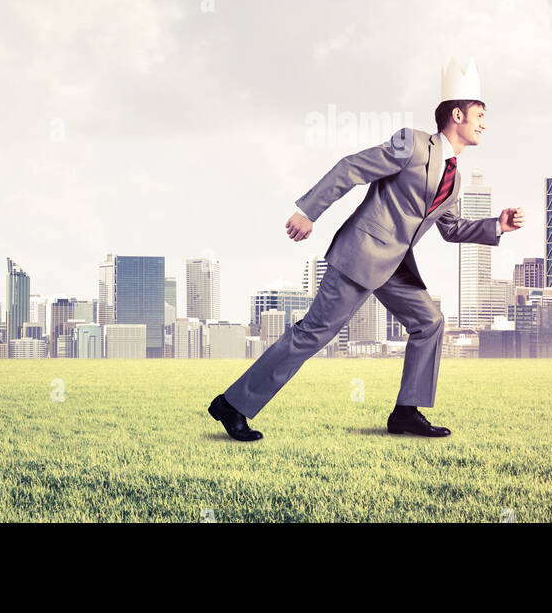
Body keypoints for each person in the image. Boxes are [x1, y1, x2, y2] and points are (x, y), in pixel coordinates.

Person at [208, 58, 525, 440]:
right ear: (456, 114)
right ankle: (233, 404)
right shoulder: (413, 143)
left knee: (430, 323)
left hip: (394, 266)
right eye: (479, 114)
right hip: (360, 255)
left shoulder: (454, 181)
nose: (484, 123)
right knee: (313, 333)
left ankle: (406, 412)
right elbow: (352, 168)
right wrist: (309, 211)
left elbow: (451, 228)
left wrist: (497, 226)